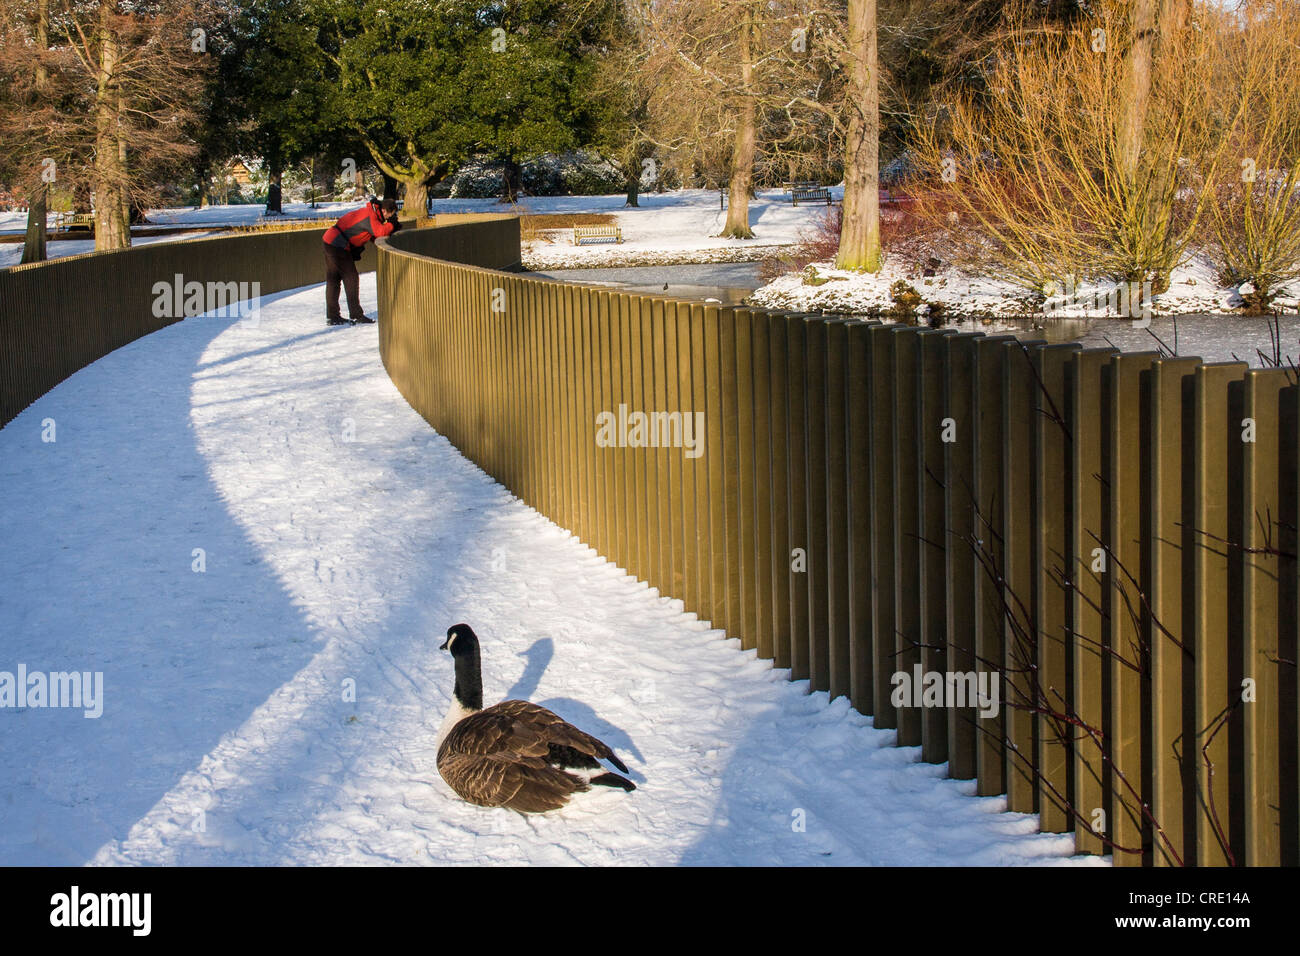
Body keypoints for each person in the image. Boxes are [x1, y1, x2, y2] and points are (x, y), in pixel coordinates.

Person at [322, 197, 401, 325]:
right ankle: (356, 315)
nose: (388, 219)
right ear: (385, 211)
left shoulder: (371, 212)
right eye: (390, 216)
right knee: (351, 278)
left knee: (334, 280)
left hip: (331, 241)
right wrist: (392, 225)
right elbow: (380, 232)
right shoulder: (370, 215)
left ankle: (333, 316)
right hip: (338, 245)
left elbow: (374, 236)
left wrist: (391, 229)